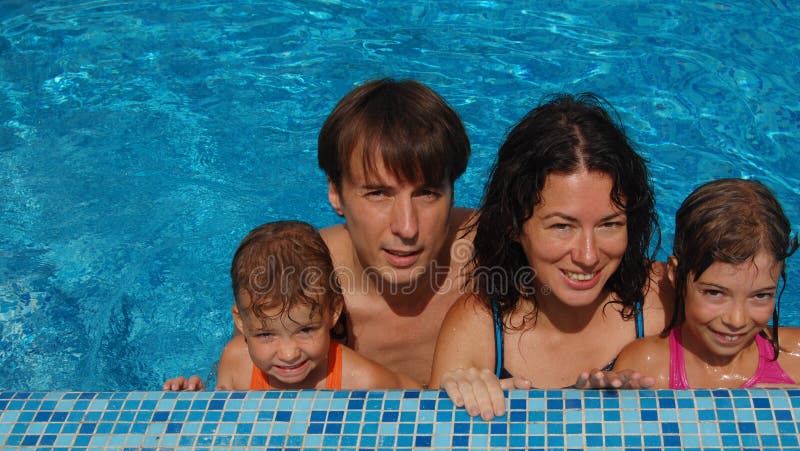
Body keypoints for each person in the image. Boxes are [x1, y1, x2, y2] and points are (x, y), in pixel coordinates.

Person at [429, 93, 673, 419]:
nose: (588, 256)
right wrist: (463, 390)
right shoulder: (481, 328)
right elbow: (434, 448)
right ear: (514, 225)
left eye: (609, 224)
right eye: (562, 226)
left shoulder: (662, 301)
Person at [223, 78, 473, 387]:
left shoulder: (496, 258)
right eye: (378, 194)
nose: (407, 227)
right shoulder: (293, 278)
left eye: (427, 193)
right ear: (336, 193)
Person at [164, 221, 420, 391]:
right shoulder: (236, 364)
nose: (288, 354)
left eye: (305, 330)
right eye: (266, 334)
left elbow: (423, 400)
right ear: (241, 322)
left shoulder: (359, 379)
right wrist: (195, 405)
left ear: (333, 312)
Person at [612, 178, 800, 388]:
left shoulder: (795, 356)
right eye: (715, 293)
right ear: (675, 274)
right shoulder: (648, 366)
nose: (736, 320)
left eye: (761, 295)